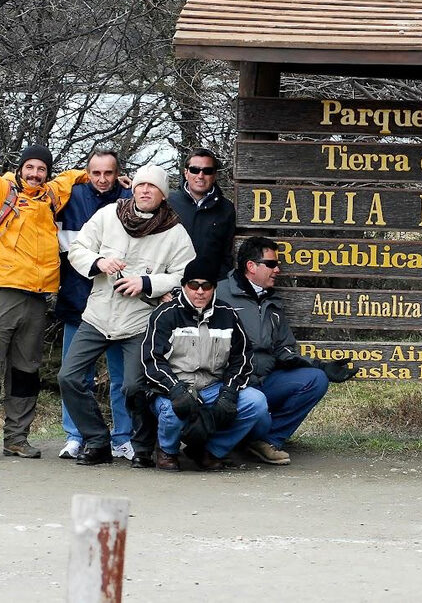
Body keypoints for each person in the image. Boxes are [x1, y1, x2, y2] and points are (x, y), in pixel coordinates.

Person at [58, 164, 196, 467]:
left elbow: (186, 275)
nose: (145, 190)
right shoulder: (109, 215)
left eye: (153, 187)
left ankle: (142, 447)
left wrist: (147, 283)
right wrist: (99, 262)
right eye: (141, 185)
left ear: (163, 195)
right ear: (133, 189)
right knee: (68, 377)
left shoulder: (174, 231)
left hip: (140, 320)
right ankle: (97, 441)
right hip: (98, 315)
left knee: (135, 387)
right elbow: (78, 248)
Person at [217, 236, 358, 466]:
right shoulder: (220, 295)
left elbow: (285, 348)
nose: (277, 270)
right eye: (271, 264)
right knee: (254, 408)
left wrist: (321, 367)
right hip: (232, 382)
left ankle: (267, 441)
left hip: (265, 379)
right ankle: (229, 440)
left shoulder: (271, 300)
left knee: (315, 380)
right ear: (251, 266)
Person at [0, 144, 88, 459]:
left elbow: (74, 176)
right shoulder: (5, 189)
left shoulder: (50, 194)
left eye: (41, 169)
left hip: (39, 297)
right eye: (30, 167)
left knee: (25, 371)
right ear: (20, 168)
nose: (35, 174)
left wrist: (111, 177)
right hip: (5, 290)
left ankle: (16, 437)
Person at [141, 256, 269, 471]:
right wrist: (176, 389)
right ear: (184, 286)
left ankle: (210, 450)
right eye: (194, 285)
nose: (200, 291)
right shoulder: (165, 314)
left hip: (213, 386)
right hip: (172, 387)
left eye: (206, 286)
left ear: (214, 288)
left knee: (256, 402)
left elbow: (242, 358)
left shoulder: (228, 314)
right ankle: (167, 450)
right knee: (173, 410)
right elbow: (152, 360)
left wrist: (229, 392)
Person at [55, 148, 134, 461]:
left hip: (120, 303)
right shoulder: (70, 197)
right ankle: (76, 436)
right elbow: (33, 188)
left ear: (118, 173)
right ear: (86, 173)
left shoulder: (130, 197)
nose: (102, 179)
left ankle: (123, 437)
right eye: (95, 173)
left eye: (108, 173)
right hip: (78, 299)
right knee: (75, 375)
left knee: (122, 378)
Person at [168, 148, 235, 280]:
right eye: (195, 170)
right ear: (186, 173)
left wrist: (219, 285)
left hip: (209, 286)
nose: (200, 175)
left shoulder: (226, 208)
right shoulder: (168, 203)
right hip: (171, 282)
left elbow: (226, 254)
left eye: (207, 171)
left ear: (214, 175)